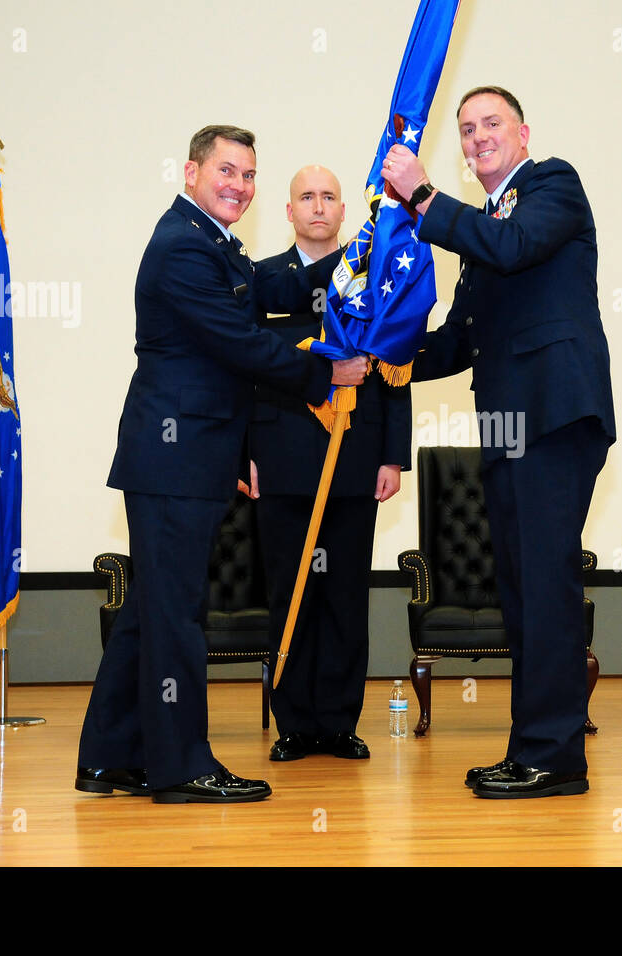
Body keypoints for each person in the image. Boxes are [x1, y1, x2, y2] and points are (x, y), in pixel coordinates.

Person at [76, 126, 368, 804]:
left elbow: (277, 278)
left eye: (249, 174)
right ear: (191, 171)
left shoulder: (213, 245)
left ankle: (108, 757)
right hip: (175, 458)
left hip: (186, 455)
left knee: (150, 613)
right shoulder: (184, 247)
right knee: (176, 616)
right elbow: (240, 343)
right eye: (227, 171)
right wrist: (327, 376)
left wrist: (362, 256)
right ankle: (182, 767)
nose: (240, 184)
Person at [381, 86, 615, 798]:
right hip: (509, 428)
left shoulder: (551, 184)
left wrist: (420, 196)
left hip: (553, 417)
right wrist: (388, 354)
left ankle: (554, 757)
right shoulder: (480, 227)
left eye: (491, 124)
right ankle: (532, 750)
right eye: (466, 128)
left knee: (545, 587)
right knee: (522, 592)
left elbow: (512, 247)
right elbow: (462, 338)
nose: (477, 136)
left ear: (522, 133)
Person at [245, 165, 410, 762]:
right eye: (306, 197)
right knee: (291, 594)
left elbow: (396, 364)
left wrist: (394, 454)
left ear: (345, 211)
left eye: (329, 197)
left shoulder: (372, 273)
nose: (318, 206)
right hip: (283, 454)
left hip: (356, 454)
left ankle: (339, 723)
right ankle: (294, 724)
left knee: (344, 595)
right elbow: (246, 369)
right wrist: (248, 454)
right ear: (288, 211)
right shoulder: (260, 280)